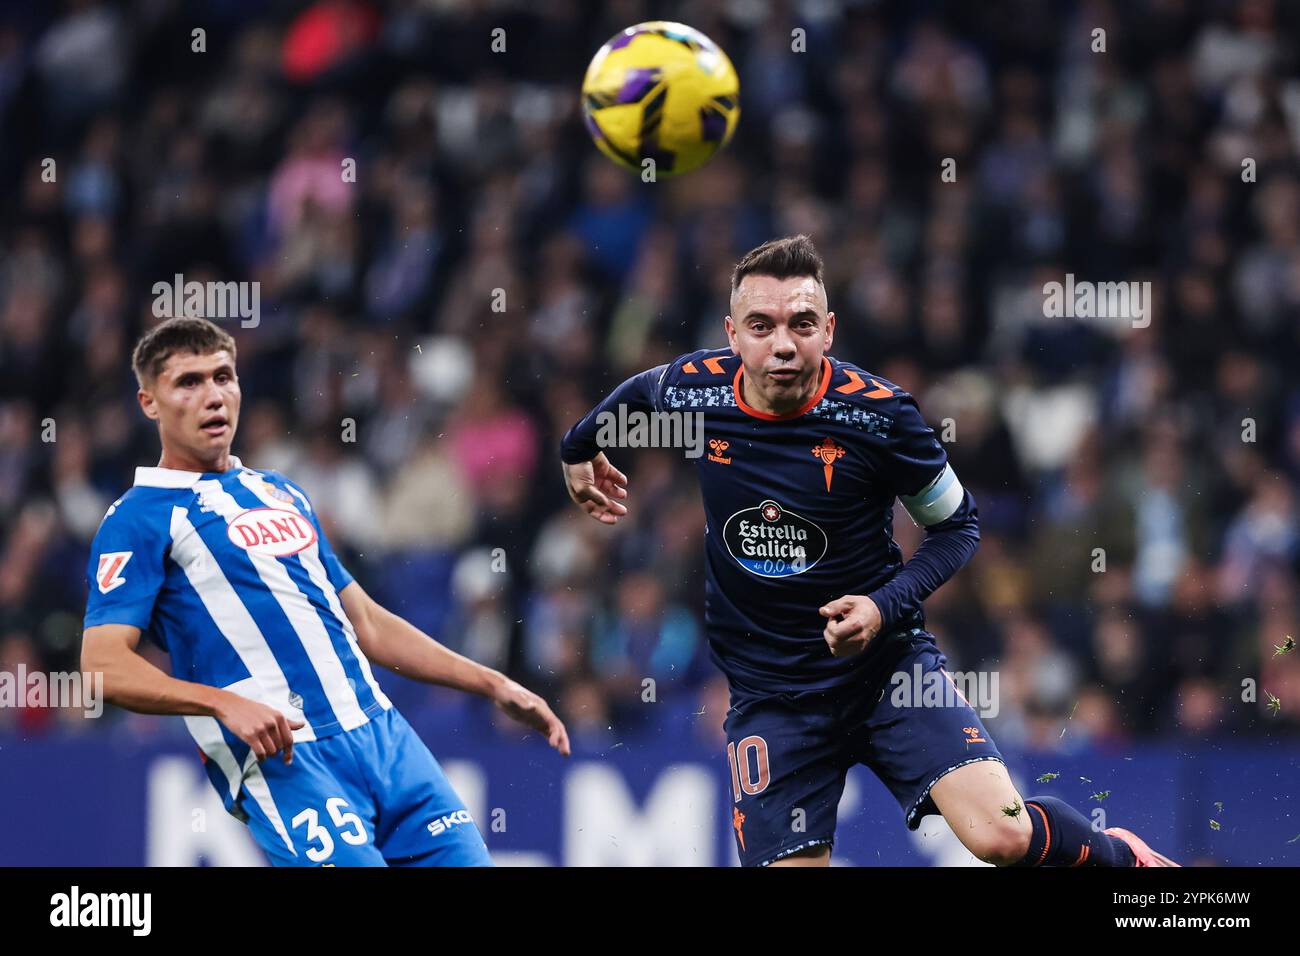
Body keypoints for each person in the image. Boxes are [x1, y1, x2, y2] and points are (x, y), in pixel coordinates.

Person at [560, 235, 1175, 868]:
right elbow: (630, 398)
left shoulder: (881, 415)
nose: (782, 344)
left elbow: (959, 528)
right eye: (760, 325)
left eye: (801, 324)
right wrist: (576, 453)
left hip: (889, 672)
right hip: (772, 697)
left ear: (828, 330)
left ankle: (1119, 858)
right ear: (732, 335)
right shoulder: (697, 391)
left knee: (1003, 836)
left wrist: (882, 607)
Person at [82, 316, 569, 866]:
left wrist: (492, 682)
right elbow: (102, 666)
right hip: (289, 760)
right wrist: (221, 705)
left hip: (384, 737)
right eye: (189, 383)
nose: (213, 396)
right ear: (149, 403)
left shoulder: (280, 491)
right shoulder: (137, 518)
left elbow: (367, 624)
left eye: (223, 377)